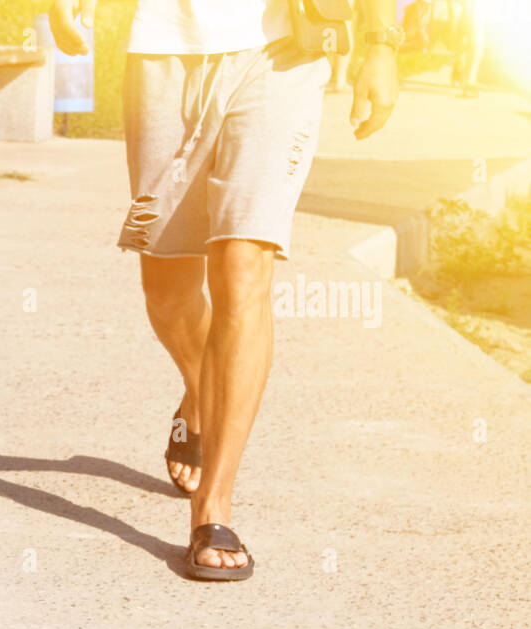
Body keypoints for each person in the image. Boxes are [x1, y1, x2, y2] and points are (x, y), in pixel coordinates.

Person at [49, 0, 400, 580]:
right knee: (166, 287)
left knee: (243, 265)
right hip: (164, 48)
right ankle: (198, 390)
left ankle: (214, 504)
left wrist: (381, 40)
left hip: (284, 49)